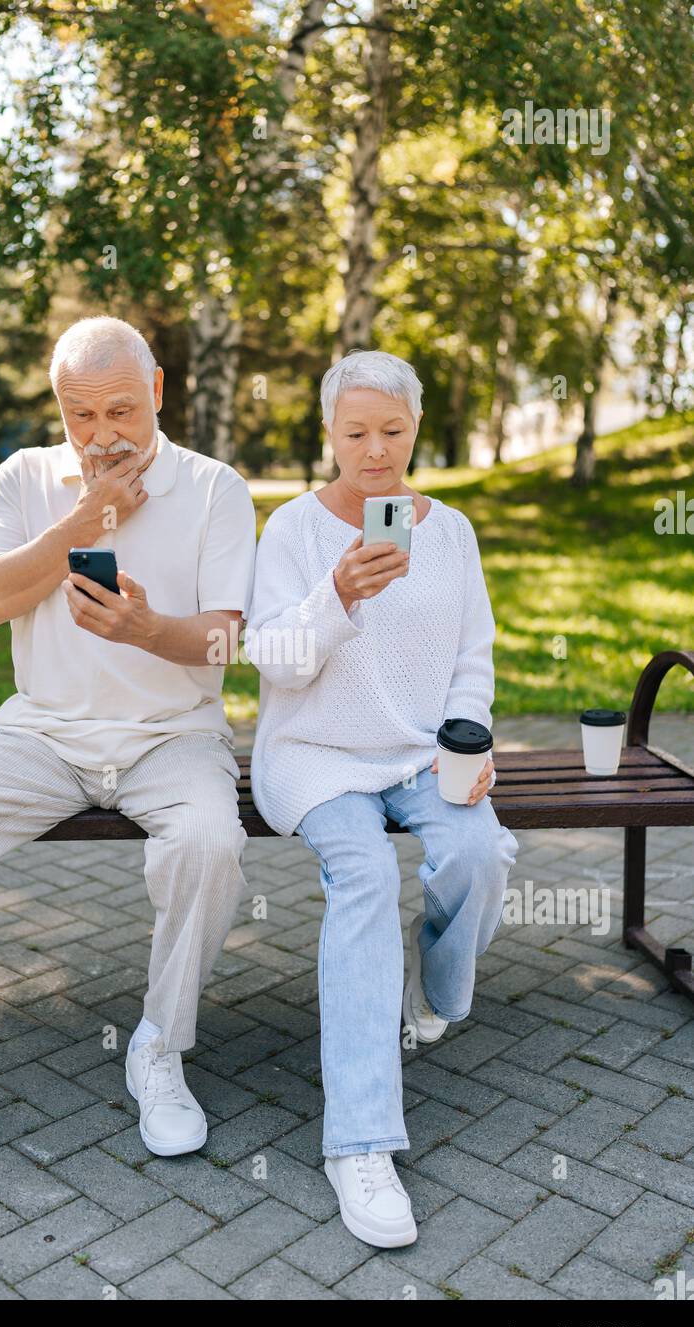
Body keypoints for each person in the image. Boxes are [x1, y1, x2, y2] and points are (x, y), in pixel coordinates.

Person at [0, 315, 257, 1198]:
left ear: (158, 391)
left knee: (208, 845)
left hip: (173, 736)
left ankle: (158, 1046)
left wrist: (151, 630)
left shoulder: (216, 487)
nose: (103, 433)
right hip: (41, 732)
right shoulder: (25, 477)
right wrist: (85, 520)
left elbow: (229, 641)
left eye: (122, 408)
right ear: (60, 411)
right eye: (81, 416)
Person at [243, 349, 519, 1248]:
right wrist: (336, 596)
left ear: (414, 431)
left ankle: (434, 996)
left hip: (418, 752)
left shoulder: (455, 532)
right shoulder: (290, 530)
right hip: (316, 753)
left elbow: (472, 658)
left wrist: (468, 744)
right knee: (363, 876)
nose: (374, 451)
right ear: (328, 433)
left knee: (481, 853)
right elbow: (273, 660)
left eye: (391, 432)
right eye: (356, 432)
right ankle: (360, 1144)